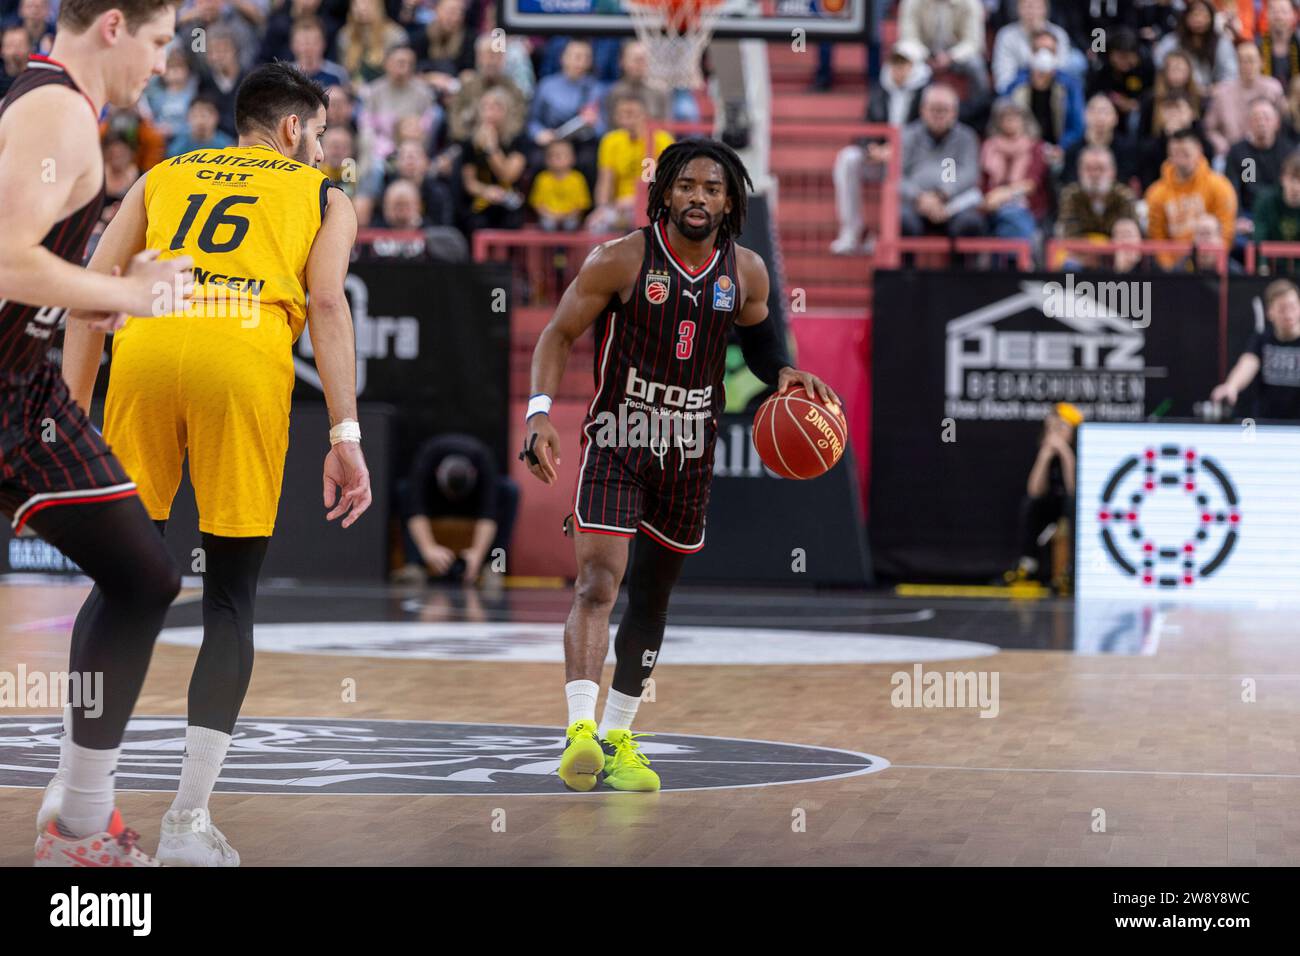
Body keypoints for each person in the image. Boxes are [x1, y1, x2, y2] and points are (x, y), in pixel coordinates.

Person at [59, 61, 373, 866]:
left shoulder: (163, 173)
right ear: (294, 129)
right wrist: (344, 435)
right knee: (230, 595)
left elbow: (90, 292)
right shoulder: (324, 194)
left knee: (120, 583)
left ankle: (76, 799)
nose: (322, 148)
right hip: (241, 359)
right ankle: (187, 824)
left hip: (146, 352)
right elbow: (327, 302)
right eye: (321, 133)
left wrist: (66, 409)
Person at [522, 139, 838, 792]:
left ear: (729, 202)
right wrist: (540, 411)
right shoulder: (620, 259)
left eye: (712, 188)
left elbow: (762, 344)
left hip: (689, 450)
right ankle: (579, 731)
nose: (699, 197)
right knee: (597, 583)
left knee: (653, 598)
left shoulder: (746, 272)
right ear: (664, 192)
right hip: (618, 438)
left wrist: (783, 373)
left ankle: (618, 738)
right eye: (687, 185)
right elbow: (558, 332)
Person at [0, 0, 196, 868]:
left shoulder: (61, 107)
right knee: (143, 578)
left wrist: (91, 295)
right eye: (158, 41)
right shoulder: (60, 112)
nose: (162, 63)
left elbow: (29, 268)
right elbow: (5, 256)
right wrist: (126, 293)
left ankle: (80, 821)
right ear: (114, 26)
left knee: (144, 576)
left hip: (25, 393)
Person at [829, 45, 931, 254]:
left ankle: (884, 235)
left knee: (896, 176)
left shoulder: (928, 93)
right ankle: (852, 230)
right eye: (895, 63)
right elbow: (866, 127)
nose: (898, 69)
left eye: (904, 64)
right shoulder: (879, 90)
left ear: (914, 66)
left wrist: (898, 150)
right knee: (848, 158)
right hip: (881, 158)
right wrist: (871, 149)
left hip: (913, 164)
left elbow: (928, 133)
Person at [396, 432, 518, 585]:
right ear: (437, 472)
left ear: (474, 473)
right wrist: (428, 549)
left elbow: (489, 514)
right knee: (404, 490)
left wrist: (477, 554)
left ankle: (495, 566)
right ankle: (414, 565)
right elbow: (415, 508)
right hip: (435, 501)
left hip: (472, 503)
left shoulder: (482, 459)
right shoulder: (428, 456)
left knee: (510, 491)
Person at [1005, 404, 1079, 585]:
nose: (1055, 434)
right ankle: (1028, 562)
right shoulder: (1045, 450)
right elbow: (1034, 490)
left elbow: (1074, 490)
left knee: (1072, 503)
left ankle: (1072, 568)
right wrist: (1045, 456)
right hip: (1050, 510)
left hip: (1072, 510)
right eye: (1051, 428)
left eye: (1061, 428)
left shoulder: (1078, 451)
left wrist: (1065, 453)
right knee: (1031, 503)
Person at [899, 84, 984, 238]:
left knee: (971, 223)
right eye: (934, 109)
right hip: (915, 203)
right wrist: (919, 197)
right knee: (901, 221)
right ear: (922, 110)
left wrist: (943, 194)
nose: (939, 115)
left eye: (944, 110)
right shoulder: (907, 135)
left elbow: (969, 173)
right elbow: (896, 175)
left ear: (955, 112)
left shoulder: (966, 137)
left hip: (954, 202)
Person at [1145, 127, 1238, 263]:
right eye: (1176, 153)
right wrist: (1171, 269)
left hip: (1212, 262)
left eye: (1186, 153)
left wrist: (1212, 262)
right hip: (1175, 268)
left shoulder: (1219, 186)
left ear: (1199, 150)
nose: (1180, 157)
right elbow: (1157, 237)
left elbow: (1226, 232)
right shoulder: (1156, 193)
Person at [1211, 277, 1300, 418]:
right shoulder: (1262, 339)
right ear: (1270, 312)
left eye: (1293, 307)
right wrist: (1231, 386)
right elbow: (1248, 363)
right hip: (1266, 424)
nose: (1289, 314)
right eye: (1282, 309)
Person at [585, 91, 673, 233]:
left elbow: (659, 182)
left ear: (645, 115)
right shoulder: (610, 141)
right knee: (596, 223)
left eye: (631, 113)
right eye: (621, 113)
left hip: (653, 203)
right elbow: (605, 181)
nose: (626, 118)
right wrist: (602, 207)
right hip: (619, 206)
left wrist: (634, 200)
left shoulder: (660, 140)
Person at [1005, 29, 1085, 156]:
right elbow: (1004, 115)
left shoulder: (1070, 85)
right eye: (1038, 50)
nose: (1043, 55)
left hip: (1060, 151)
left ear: (1056, 54)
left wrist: (1061, 147)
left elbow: (1077, 127)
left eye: (1049, 50)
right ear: (1030, 53)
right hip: (1024, 151)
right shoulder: (1016, 84)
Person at [1203, 39, 1287, 158]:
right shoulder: (1222, 92)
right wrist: (1223, 146)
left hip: (1267, 149)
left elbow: (1283, 123)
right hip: (1231, 152)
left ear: (1261, 62)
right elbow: (1209, 128)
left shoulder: (1273, 88)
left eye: (1251, 60)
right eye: (1242, 61)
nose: (1247, 65)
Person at [979, 99, 1049, 239]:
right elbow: (981, 181)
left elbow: (1031, 184)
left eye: (1015, 116)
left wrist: (1003, 195)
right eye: (1005, 116)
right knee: (1007, 222)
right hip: (990, 206)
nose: (1010, 120)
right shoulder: (987, 147)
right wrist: (989, 200)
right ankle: (1029, 249)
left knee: (1010, 218)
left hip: (1026, 205)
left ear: (1024, 120)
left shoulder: (1035, 147)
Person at [1225, 98, 1293, 229]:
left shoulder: (1289, 152)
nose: (1261, 123)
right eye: (1256, 118)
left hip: (1281, 212)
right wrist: (1239, 217)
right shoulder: (1237, 152)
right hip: (1249, 213)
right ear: (1248, 123)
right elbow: (1232, 189)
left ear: (1277, 122)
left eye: (1266, 118)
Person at [1055, 146, 1138, 239]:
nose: (1095, 174)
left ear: (1113, 172)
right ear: (1079, 171)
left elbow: (1130, 237)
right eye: (1089, 169)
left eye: (1100, 168)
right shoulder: (1071, 196)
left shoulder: (1124, 196)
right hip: (1080, 248)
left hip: (1115, 248)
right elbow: (1069, 234)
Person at [1153, 0, 1240, 87]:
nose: (1199, 19)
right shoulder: (1175, 40)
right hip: (1180, 89)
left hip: (1213, 90)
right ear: (1186, 17)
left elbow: (1230, 73)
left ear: (1211, 19)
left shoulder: (1221, 42)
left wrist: (1217, 88)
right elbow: (1158, 59)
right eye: (1195, 15)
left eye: (1204, 16)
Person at [529, 137, 591, 231]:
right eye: (553, 155)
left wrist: (568, 215)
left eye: (562, 155)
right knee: (547, 225)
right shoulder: (542, 178)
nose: (557, 159)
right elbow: (537, 203)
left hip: (570, 217)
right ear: (546, 159)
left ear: (572, 158)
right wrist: (550, 215)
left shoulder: (577, 178)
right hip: (549, 217)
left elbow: (581, 205)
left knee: (571, 225)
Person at [1252, 149, 1300, 239]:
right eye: (1292, 179)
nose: (1296, 187)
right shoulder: (1265, 201)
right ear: (1282, 178)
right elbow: (1259, 240)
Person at [166, 94, 233, 155]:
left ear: (216, 117)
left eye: (204, 116)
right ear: (188, 118)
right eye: (195, 116)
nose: (200, 121)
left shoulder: (227, 146)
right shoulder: (178, 146)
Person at [1260, 0, 1300, 88]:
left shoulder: (1298, 41)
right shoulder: (1258, 46)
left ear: (1294, 15)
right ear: (1267, 15)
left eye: (1283, 11)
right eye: (1274, 11)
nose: (1279, 16)